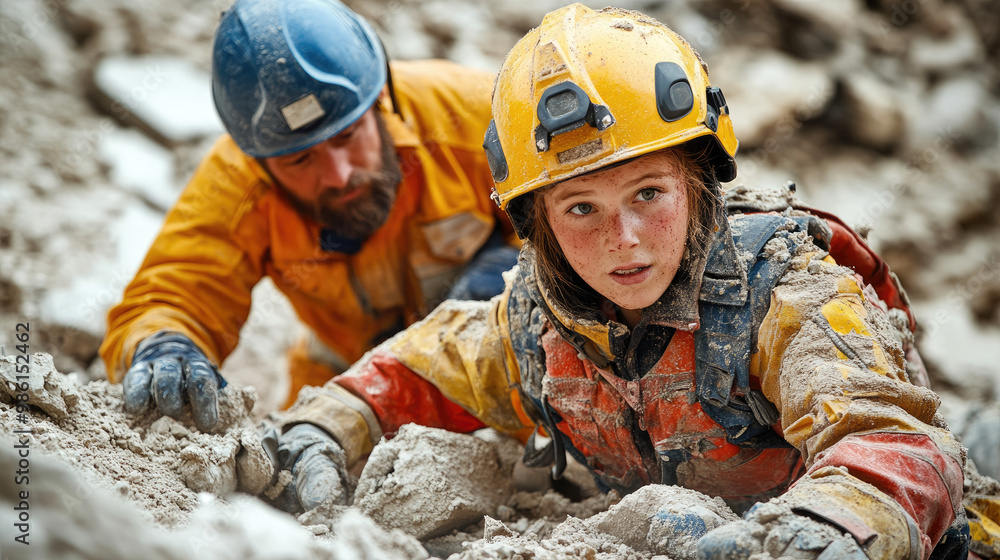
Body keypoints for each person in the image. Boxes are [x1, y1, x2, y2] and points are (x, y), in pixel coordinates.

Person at [271, 5, 986, 559]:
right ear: (538, 224)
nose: (625, 239)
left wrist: (822, 529)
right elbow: (415, 369)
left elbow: (896, 439)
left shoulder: (789, 296)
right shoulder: (532, 327)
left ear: (700, 182)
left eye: (648, 193)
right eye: (581, 208)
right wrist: (323, 427)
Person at [98, 0, 519, 432]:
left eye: (348, 136)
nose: (338, 175)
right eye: (300, 161)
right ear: (260, 163)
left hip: (512, 355)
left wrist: (522, 277)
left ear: (379, 99)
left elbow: (582, 205)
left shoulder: (475, 115)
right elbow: (176, 291)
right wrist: (167, 346)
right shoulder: (238, 182)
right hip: (345, 375)